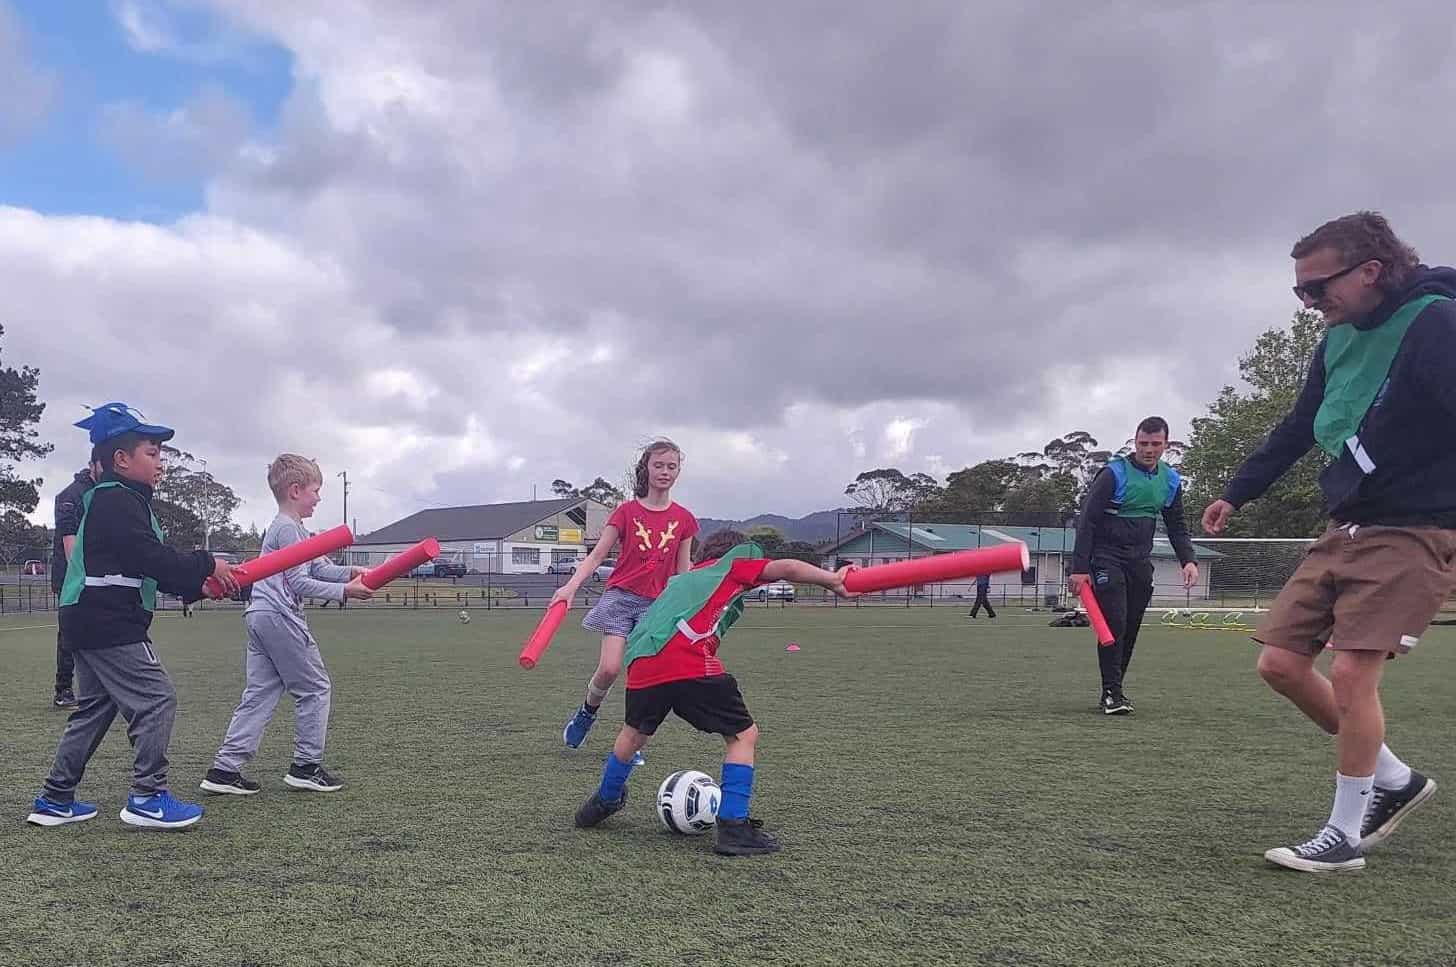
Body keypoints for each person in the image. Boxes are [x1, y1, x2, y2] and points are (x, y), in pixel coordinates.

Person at [1202, 211, 1456, 873]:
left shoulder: (1435, 323)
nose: (1310, 302)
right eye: (1300, 290)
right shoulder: (1337, 340)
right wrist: (1238, 490)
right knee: (1281, 665)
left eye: (1318, 287)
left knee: (1350, 671)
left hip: (1416, 528)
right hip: (1349, 524)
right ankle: (1394, 779)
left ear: (1371, 271)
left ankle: (1344, 836)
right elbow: (1300, 424)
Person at [573, 529, 854, 855]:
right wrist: (833, 580)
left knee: (633, 733)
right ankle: (734, 826)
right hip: (688, 660)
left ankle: (604, 800)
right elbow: (788, 568)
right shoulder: (733, 566)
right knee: (743, 735)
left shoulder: (685, 578)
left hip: (642, 661)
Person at [26, 402, 239, 829]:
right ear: (121, 460)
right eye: (152, 453)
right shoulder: (117, 500)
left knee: (94, 708)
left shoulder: (121, 501)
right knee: (157, 699)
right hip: (108, 620)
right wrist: (206, 563)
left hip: (89, 618)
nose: (161, 463)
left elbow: (141, 567)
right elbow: (148, 556)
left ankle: (55, 799)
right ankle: (147, 797)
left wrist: (195, 588)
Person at [202, 455, 374, 796]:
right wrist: (346, 592)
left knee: (260, 694)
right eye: (315, 490)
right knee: (315, 688)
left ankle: (224, 769)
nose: (319, 498)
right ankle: (306, 767)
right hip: (280, 616)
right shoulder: (288, 529)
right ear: (295, 491)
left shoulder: (291, 529)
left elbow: (318, 568)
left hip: (259, 615)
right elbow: (299, 582)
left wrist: (352, 573)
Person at [552, 439, 698, 754]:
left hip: (657, 606)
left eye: (671, 466)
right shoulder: (626, 512)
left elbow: (683, 572)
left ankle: (633, 741)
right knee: (609, 669)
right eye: (658, 465)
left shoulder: (684, 519)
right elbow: (596, 556)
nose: (665, 472)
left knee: (645, 676)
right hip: (620, 599)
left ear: (678, 471)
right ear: (647, 468)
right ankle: (586, 713)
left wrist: (686, 608)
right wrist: (570, 587)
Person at [1070, 417, 1198, 715]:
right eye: (1143, 443)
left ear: (1166, 445)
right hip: (1106, 556)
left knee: (1130, 625)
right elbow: (1087, 521)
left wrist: (1188, 560)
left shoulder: (1170, 480)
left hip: (1139, 560)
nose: (1148, 450)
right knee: (1114, 621)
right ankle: (1111, 693)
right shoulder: (1113, 474)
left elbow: (1177, 525)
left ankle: (1115, 689)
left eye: (1155, 444)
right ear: (1135, 441)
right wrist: (1079, 568)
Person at [50, 459, 103, 709]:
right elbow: (69, 542)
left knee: (98, 629)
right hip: (70, 577)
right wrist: (80, 577)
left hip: (95, 574)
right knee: (70, 632)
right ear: (93, 464)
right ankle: (63, 689)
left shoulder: (104, 493)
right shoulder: (70, 495)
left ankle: (100, 687)